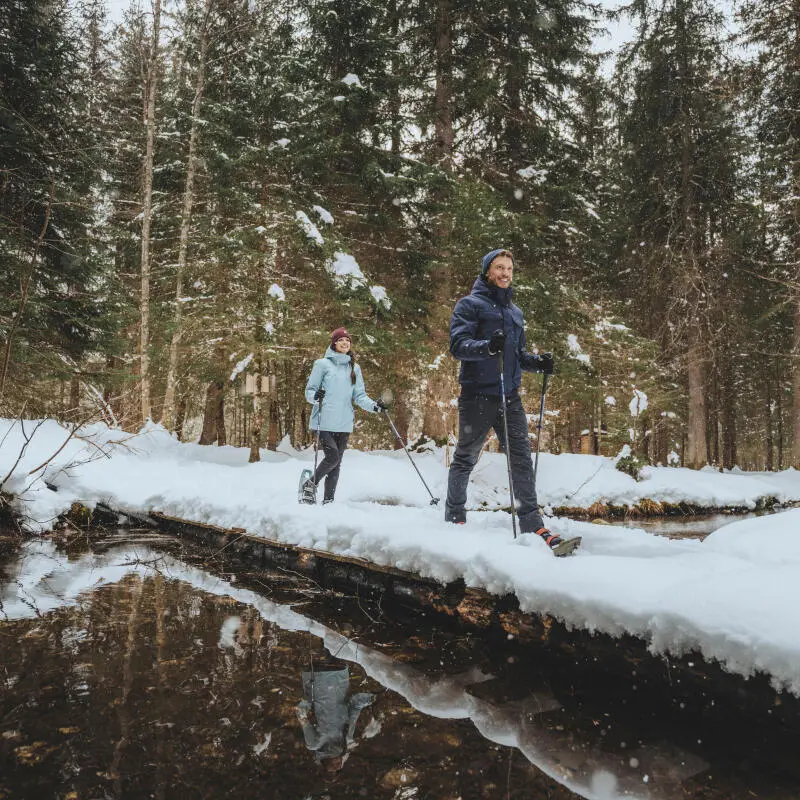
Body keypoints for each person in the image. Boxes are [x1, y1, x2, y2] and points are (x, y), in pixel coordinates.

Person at [445, 248, 563, 550]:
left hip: (509, 397)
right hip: (477, 395)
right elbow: (458, 345)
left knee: (522, 458)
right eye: (499, 268)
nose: (505, 273)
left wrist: (537, 363)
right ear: (487, 272)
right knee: (466, 457)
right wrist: (486, 346)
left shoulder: (515, 312)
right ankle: (454, 516)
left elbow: (517, 355)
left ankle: (532, 525)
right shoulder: (469, 305)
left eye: (509, 269)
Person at [303, 327, 386, 503]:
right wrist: (314, 396)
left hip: (344, 423)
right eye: (341, 340)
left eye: (347, 341)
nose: (345, 343)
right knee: (332, 457)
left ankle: (329, 501)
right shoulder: (322, 364)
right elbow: (310, 391)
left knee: (336, 463)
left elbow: (359, 395)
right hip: (324, 421)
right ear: (334, 343)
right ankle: (310, 484)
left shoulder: (354, 368)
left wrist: (374, 406)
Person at [295, 658, 374, 771]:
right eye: (339, 765)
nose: (339, 764)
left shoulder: (315, 744)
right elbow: (355, 708)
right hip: (340, 672)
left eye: (334, 766)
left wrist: (306, 696)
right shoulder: (346, 739)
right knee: (339, 644)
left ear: (326, 762)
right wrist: (368, 699)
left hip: (317, 674)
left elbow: (301, 713)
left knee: (322, 643)